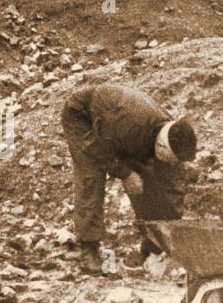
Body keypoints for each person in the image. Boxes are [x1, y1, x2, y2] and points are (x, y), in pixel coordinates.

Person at [61, 82, 197, 272]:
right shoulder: (128, 124)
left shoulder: (172, 136)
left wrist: (167, 236)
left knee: (153, 177)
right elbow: (101, 152)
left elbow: (171, 187)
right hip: (83, 117)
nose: (174, 164)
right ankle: (88, 249)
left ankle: (152, 247)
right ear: (162, 148)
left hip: (119, 127)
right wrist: (125, 173)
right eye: (172, 160)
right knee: (91, 177)